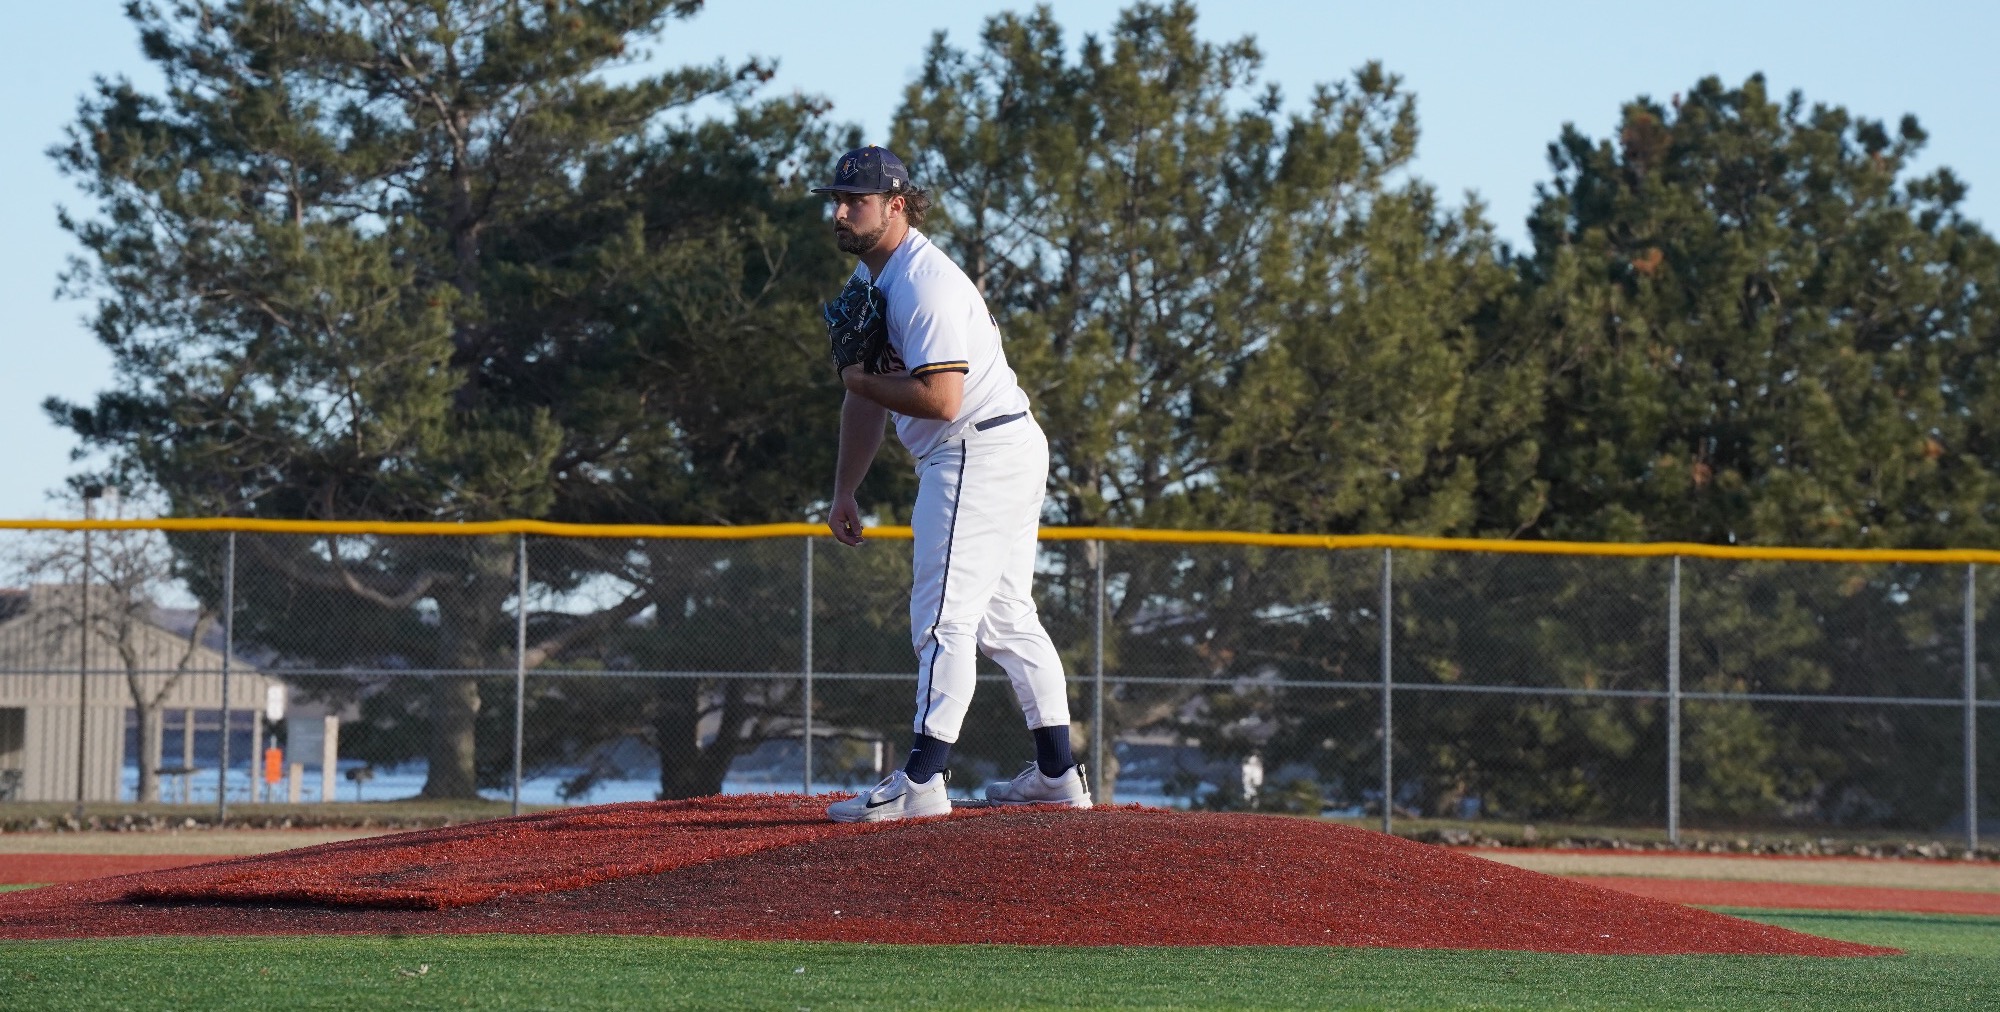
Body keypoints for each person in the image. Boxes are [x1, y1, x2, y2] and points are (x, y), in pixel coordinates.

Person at [815, 146, 1090, 823]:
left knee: (943, 622)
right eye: (839, 198)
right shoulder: (872, 278)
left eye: (859, 200)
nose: (843, 211)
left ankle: (922, 779)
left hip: (973, 447)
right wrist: (845, 487)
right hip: (1002, 443)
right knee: (1005, 617)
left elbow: (939, 397)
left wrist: (861, 380)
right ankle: (1057, 772)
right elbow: (865, 396)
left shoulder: (923, 284)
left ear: (897, 205)